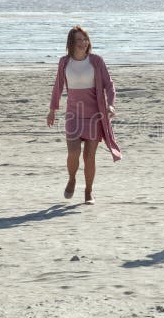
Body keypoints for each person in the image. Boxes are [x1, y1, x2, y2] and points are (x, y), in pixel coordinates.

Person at [47, 25, 122, 204]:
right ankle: (72, 178)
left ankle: (89, 191)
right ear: (71, 43)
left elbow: (109, 84)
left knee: (89, 157)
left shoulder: (96, 61)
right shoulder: (64, 62)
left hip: (94, 115)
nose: (83, 43)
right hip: (73, 114)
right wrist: (52, 110)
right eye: (79, 40)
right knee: (73, 153)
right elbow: (58, 86)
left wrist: (111, 105)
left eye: (85, 39)